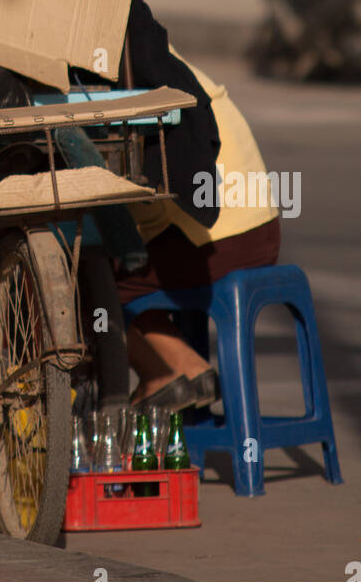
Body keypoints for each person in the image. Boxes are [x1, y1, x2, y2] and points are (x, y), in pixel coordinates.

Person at [118, 52, 280, 409]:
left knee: (84, 284)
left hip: (211, 244)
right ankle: (182, 366)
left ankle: (167, 371)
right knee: (119, 271)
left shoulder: (117, 77)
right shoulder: (160, 56)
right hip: (262, 229)